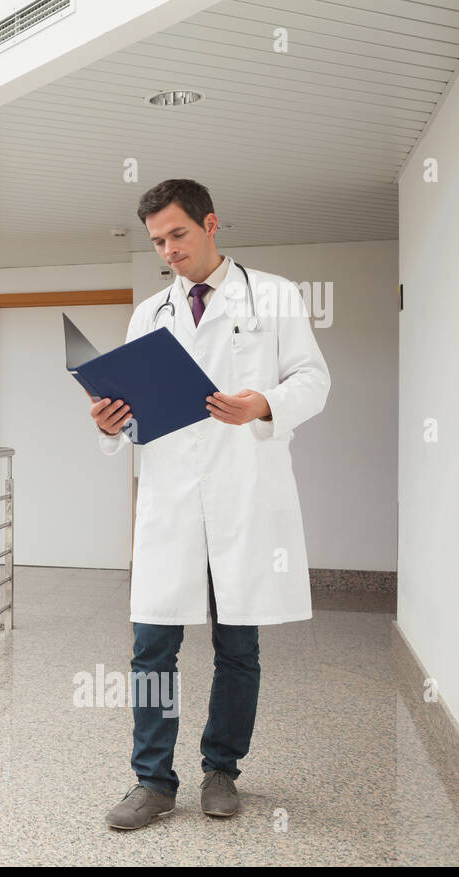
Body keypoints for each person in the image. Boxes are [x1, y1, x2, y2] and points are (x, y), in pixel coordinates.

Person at [91, 179, 331, 829]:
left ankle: (221, 770)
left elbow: (314, 379)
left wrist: (263, 404)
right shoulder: (150, 313)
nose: (168, 250)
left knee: (238, 647)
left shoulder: (274, 295)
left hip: (243, 496)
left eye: (178, 234)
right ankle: (153, 781)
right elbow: (141, 414)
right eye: (157, 241)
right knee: (150, 648)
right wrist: (113, 424)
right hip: (171, 499)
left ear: (211, 224)